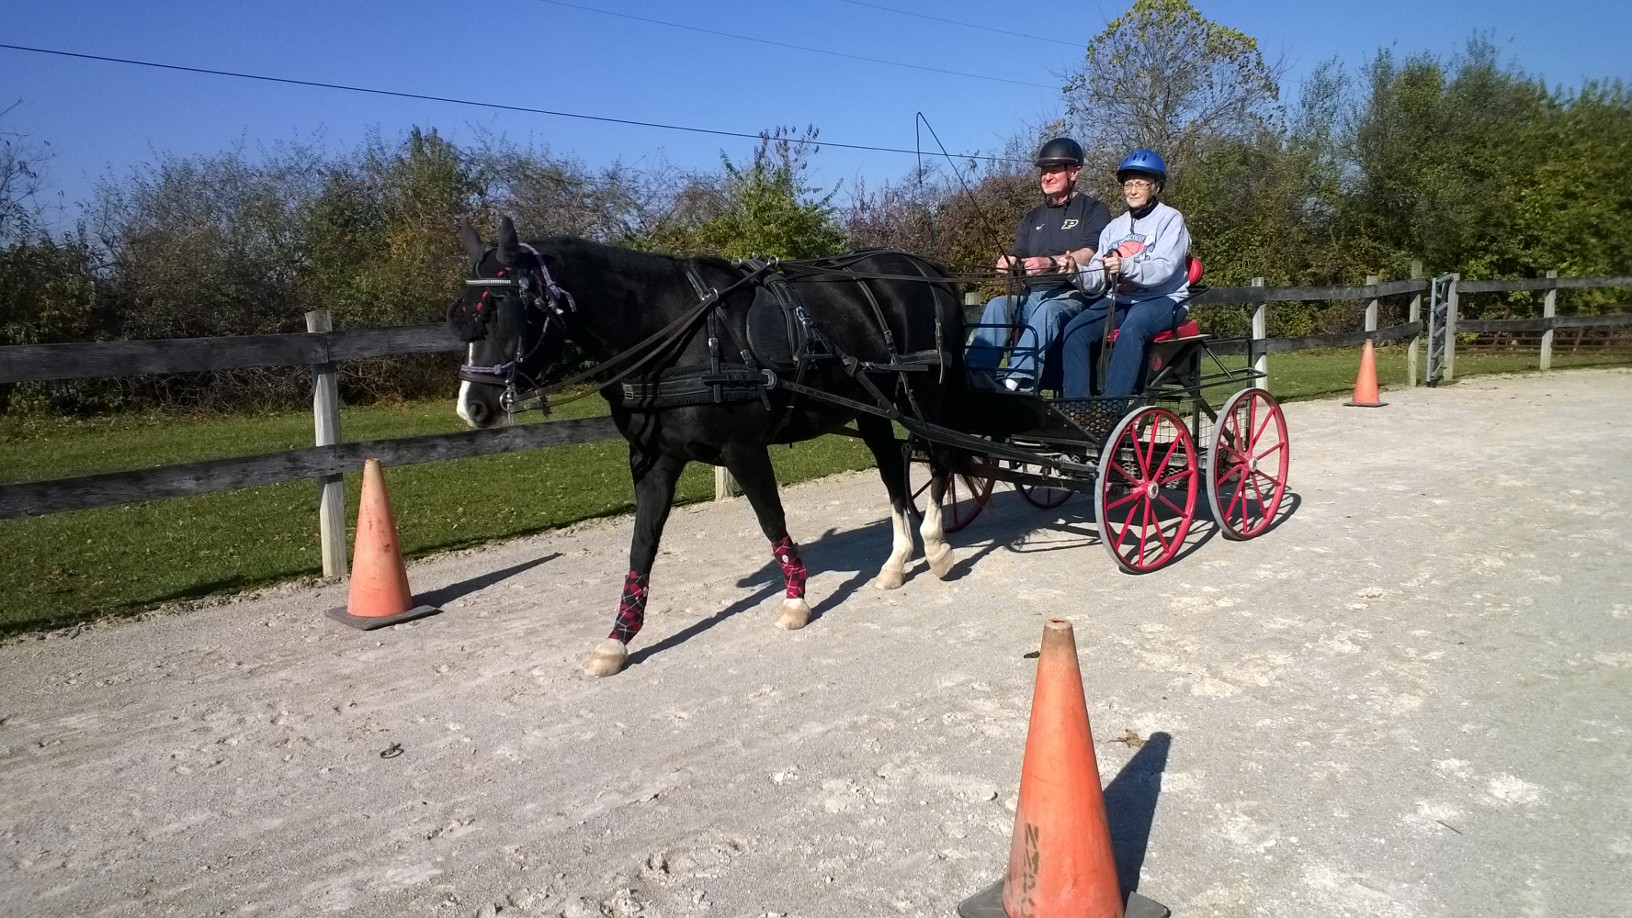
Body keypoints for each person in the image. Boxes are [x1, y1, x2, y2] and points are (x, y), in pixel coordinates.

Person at [967, 137, 1111, 391]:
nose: (1047, 177)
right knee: (998, 305)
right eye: (1044, 171)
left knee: (1049, 310)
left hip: (1074, 293)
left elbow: (1090, 253)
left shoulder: (1094, 210)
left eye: (1054, 170)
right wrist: (1009, 262)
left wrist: (1053, 263)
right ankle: (975, 376)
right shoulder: (1033, 217)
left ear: (1074, 171)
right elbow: (1018, 254)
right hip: (1032, 294)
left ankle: (1016, 381)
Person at [1058, 149, 1192, 400]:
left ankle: (1112, 410)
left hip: (1164, 299)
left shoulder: (1171, 220)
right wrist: (1075, 272)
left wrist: (1126, 266)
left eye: (1140, 184)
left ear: (1157, 188)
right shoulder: (1114, 227)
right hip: (1119, 300)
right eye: (1128, 184)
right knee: (1075, 329)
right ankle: (1076, 409)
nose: (1132, 190)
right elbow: (1098, 276)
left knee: (1133, 329)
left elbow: (1164, 267)